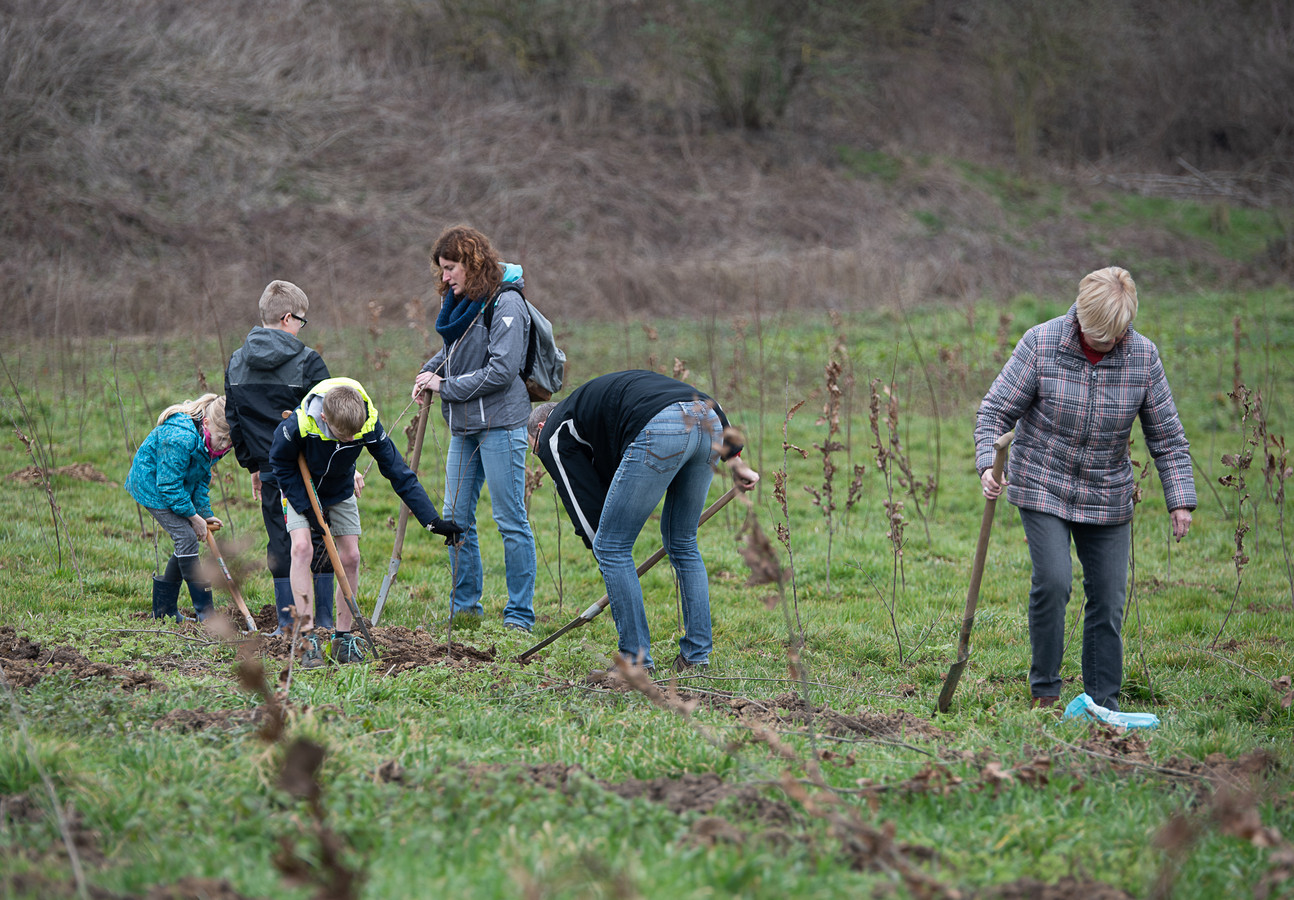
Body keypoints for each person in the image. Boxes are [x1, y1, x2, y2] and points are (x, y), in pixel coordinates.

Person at [975, 266, 1195, 711]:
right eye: (1096, 334)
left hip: (1107, 491)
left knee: (1109, 599)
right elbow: (996, 411)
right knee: (1054, 582)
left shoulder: (1143, 358)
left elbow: (1167, 436)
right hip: (1042, 482)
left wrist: (1181, 499)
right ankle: (1045, 691)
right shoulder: (1041, 343)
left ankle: (1102, 704)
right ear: (1079, 315)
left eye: (1114, 336)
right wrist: (987, 464)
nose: (1104, 343)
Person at [528, 370, 760, 674]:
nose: (539, 451)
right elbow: (703, 402)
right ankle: (696, 658)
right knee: (682, 542)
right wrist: (736, 461)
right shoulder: (591, 409)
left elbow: (582, 500)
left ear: (541, 427)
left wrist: (602, 545)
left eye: (534, 445)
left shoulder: (555, 430)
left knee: (612, 547)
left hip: (660, 428)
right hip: (708, 422)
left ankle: (635, 662)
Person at [265, 377, 463, 666]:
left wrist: (432, 521)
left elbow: (398, 472)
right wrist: (309, 511)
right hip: (299, 487)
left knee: (351, 556)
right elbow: (279, 462)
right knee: (302, 549)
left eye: (354, 437)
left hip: (340, 488)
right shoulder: (297, 425)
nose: (350, 441)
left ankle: (343, 639)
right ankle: (306, 638)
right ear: (324, 418)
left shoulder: (367, 424)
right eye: (343, 436)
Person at [411, 225, 537, 632]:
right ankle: (466, 609)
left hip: (501, 424)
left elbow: (502, 371)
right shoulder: (461, 304)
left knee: (510, 520)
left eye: (451, 268)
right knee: (454, 517)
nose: (444, 277)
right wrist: (429, 371)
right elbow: (455, 349)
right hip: (464, 427)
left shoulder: (507, 304)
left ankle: (519, 615)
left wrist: (444, 386)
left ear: (473, 262)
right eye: (442, 269)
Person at [224, 280, 335, 636]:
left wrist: (253, 464)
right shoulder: (308, 361)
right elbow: (328, 419)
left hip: (271, 471)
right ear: (288, 318)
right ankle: (323, 620)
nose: (302, 328)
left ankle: (288, 624)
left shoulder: (237, 362)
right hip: (309, 470)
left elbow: (234, 420)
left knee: (280, 540)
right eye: (302, 321)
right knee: (318, 536)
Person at [125, 393, 231, 623]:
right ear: (206, 423)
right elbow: (168, 486)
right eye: (222, 439)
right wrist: (194, 518)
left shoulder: (212, 441)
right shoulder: (180, 438)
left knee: (186, 540)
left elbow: (201, 480)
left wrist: (205, 514)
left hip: (175, 485)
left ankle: (163, 611)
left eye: (229, 442)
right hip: (152, 486)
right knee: (186, 536)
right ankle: (206, 615)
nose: (224, 446)